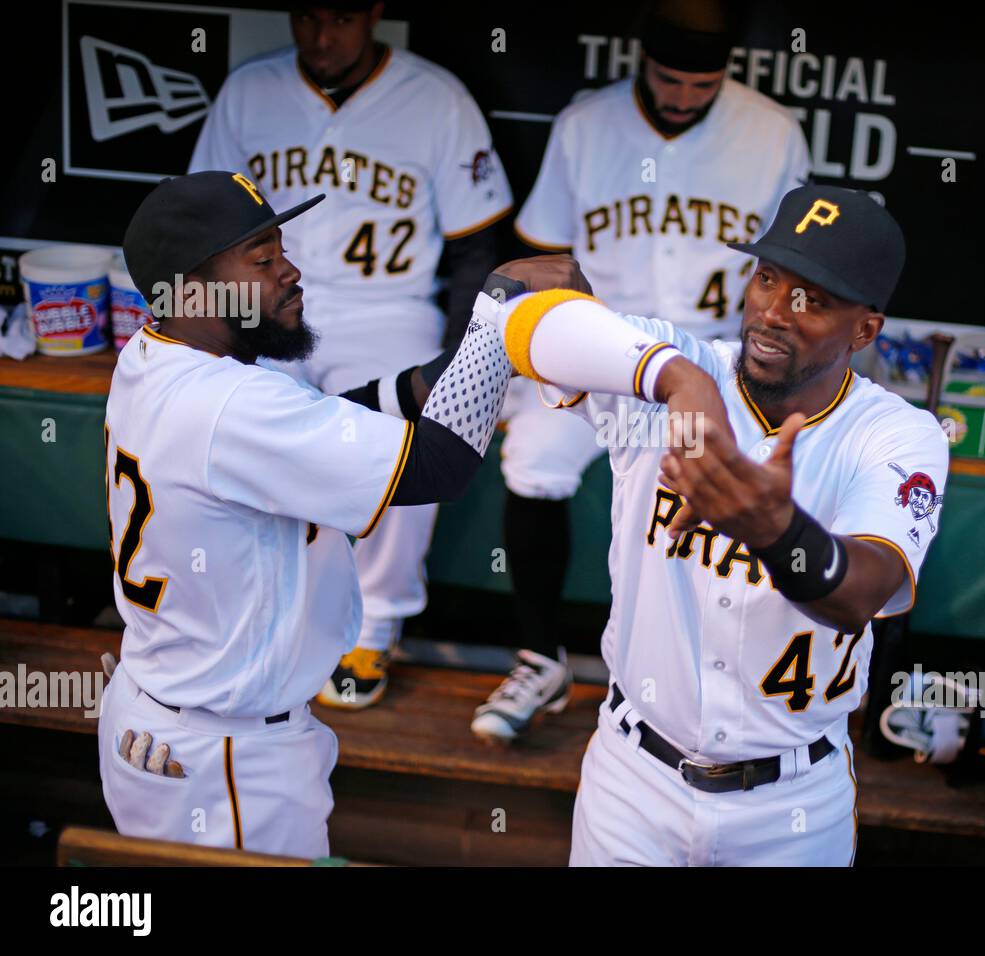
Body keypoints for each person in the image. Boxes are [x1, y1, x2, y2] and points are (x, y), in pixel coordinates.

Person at [99, 169, 571, 857]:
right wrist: (495, 320)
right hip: (221, 751)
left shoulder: (153, 356)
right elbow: (440, 465)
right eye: (261, 260)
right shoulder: (228, 405)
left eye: (280, 248)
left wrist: (443, 371)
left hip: (174, 716)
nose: (291, 271)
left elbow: (332, 420)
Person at [494, 185, 949, 865]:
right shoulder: (682, 361)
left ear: (865, 331)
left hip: (792, 803)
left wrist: (774, 530)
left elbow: (860, 594)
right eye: (768, 278)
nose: (773, 313)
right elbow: (528, 310)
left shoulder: (896, 435)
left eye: (813, 300)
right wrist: (679, 379)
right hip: (634, 779)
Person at [475, 0, 811, 743]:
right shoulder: (585, 125)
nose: (685, 96)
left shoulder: (772, 131)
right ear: (641, 59)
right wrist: (526, 360)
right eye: (669, 78)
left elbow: (791, 269)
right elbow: (539, 250)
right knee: (533, 459)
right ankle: (541, 658)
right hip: (599, 347)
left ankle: (706, 678)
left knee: (722, 491)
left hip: (715, 357)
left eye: (703, 83)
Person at [189, 1, 512, 709]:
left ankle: (378, 620)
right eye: (305, 17)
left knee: (399, 436)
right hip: (269, 306)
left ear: (374, 12)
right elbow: (204, 225)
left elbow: (476, 247)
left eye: (338, 18)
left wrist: (461, 353)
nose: (320, 36)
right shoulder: (251, 89)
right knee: (227, 422)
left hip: (385, 308)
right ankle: (253, 609)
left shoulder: (435, 98)